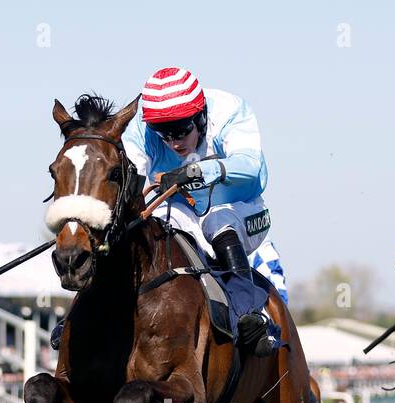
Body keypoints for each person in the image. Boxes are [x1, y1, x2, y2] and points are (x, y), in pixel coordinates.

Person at [122, 66, 285, 356]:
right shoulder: (141, 129)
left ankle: (250, 314)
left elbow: (250, 168)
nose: (174, 142)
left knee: (217, 220)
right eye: (164, 134)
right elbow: (132, 182)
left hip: (242, 210)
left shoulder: (231, 110)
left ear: (201, 116)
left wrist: (197, 170)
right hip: (182, 209)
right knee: (147, 228)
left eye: (182, 131)